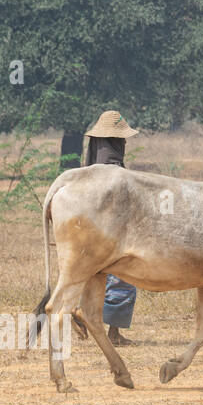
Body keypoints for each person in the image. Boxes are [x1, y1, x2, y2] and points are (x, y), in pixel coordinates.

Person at [82, 110, 141, 346]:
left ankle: (81, 313)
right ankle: (113, 334)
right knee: (124, 280)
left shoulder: (84, 175)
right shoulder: (119, 177)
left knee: (89, 279)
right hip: (114, 243)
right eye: (121, 139)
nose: (125, 142)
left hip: (87, 241)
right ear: (116, 143)